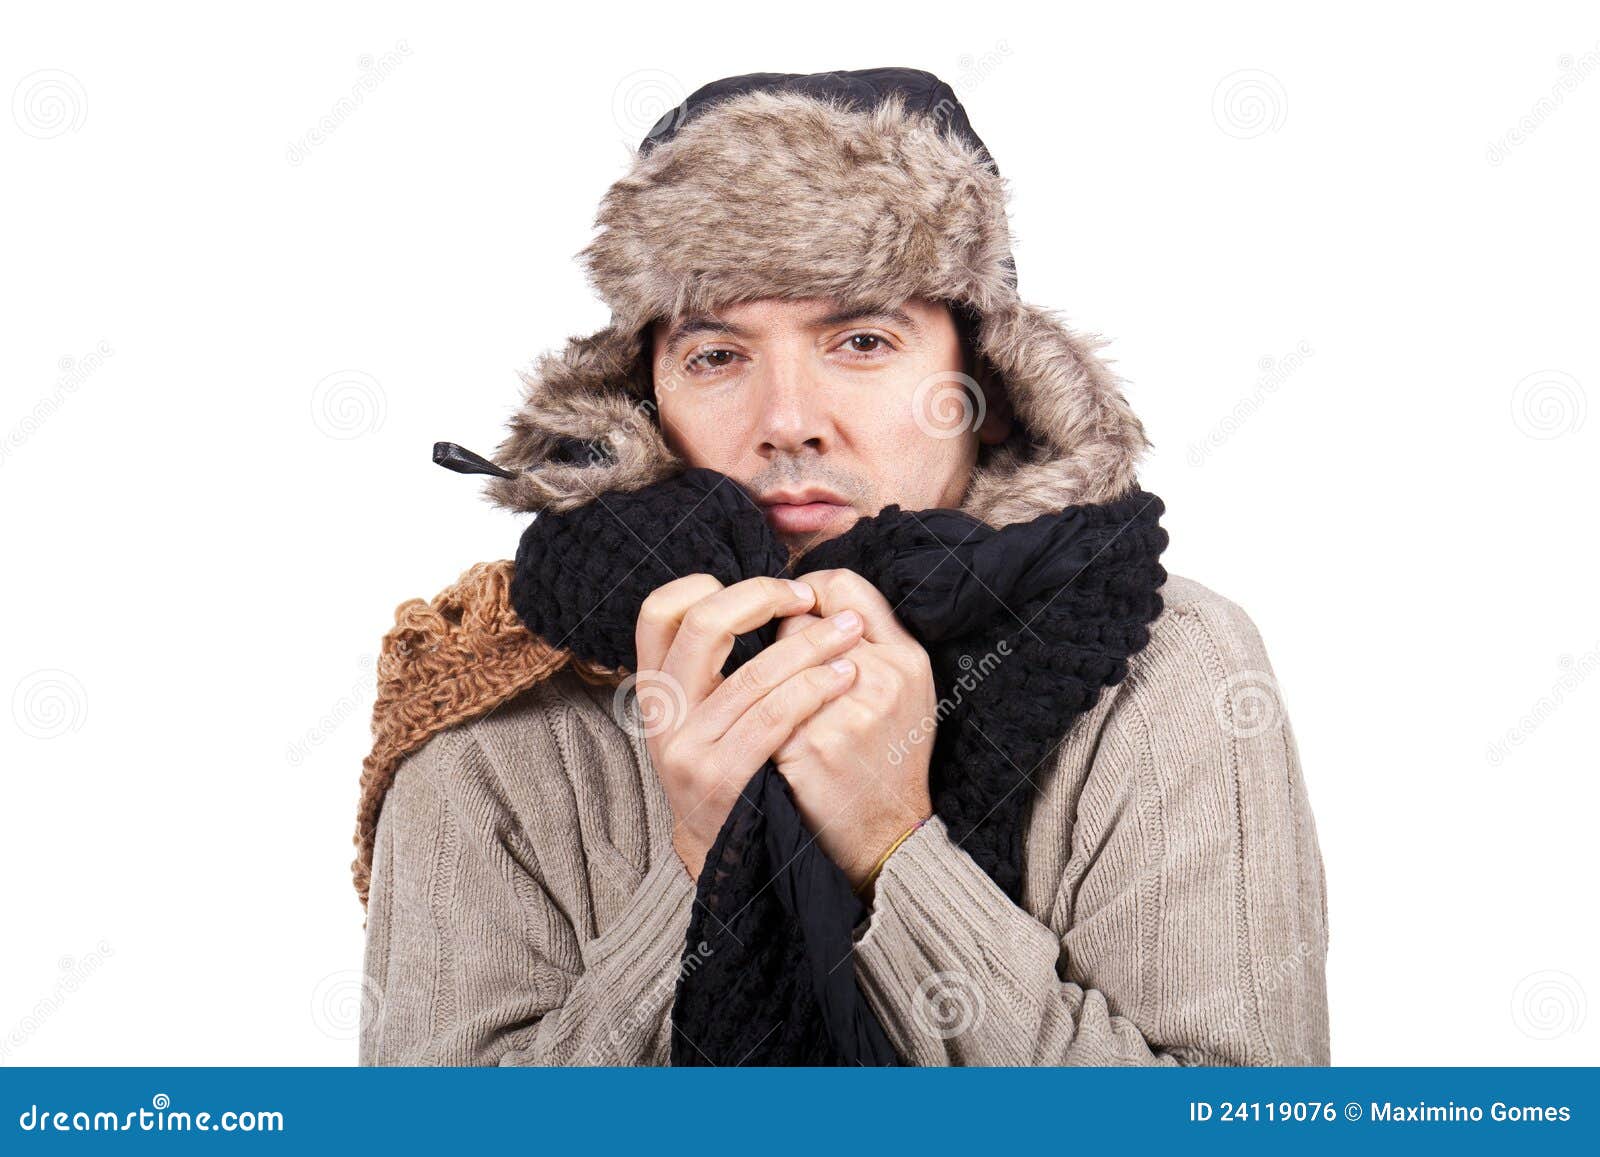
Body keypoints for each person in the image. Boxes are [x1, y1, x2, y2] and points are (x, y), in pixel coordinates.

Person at [352, 67, 1330, 1066]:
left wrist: (891, 846)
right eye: (716, 355)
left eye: (862, 339)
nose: (787, 421)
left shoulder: (1167, 668)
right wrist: (702, 862)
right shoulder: (496, 697)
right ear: (640, 403)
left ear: (987, 386)